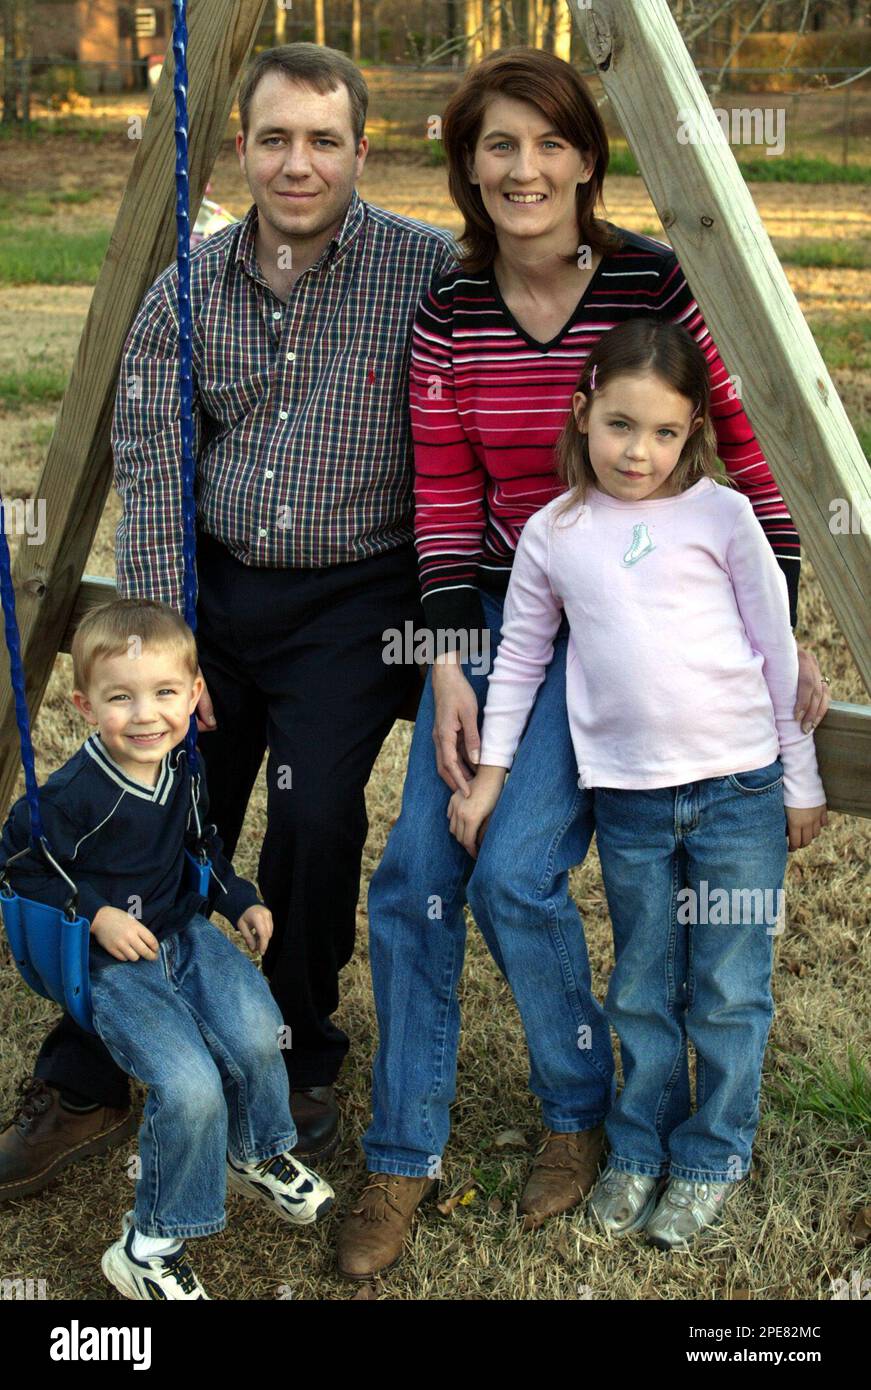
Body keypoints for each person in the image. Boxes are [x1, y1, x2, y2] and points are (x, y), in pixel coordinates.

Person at [337, 47, 830, 1280]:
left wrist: (782, 609)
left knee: (512, 872)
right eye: (497, 145)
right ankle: (402, 1154)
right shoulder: (447, 316)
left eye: (550, 142)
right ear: (464, 164)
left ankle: (580, 1109)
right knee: (412, 870)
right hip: (510, 608)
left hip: (631, 614)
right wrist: (447, 663)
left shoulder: (651, 283)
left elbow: (736, 444)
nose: (525, 168)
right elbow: (446, 500)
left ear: (589, 158)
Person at [0, 42, 458, 1199]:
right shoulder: (187, 286)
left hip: (357, 601)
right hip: (211, 588)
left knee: (311, 817)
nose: (296, 163)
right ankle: (88, 1075)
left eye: (321, 139)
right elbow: (153, 466)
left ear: (362, 147)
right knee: (147, 802)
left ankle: (296, 1043)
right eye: (273, 139)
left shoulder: (428, 272)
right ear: (240, 149)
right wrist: (172, 651)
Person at [446, 317, 827, 1249]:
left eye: (662, 432)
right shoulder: (554, 533)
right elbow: (525, 656)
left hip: (739, 789)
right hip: (629, 800)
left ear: (692, 425)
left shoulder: (722, 516)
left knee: (730, 985)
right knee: (645, 986)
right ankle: (636, 1147)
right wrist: (491, 777)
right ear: (583, 416)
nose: (638, 451)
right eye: (619, 426)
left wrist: (799, 778)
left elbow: (774, 651)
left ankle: (709, 1158)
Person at [0, 601, 334, 1298]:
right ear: (85, 704)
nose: (146, 715)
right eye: (121, 698)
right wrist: (94, 917)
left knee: (255, 1030)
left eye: (164, 694)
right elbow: (23, 867)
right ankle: (149, 1243)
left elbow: (200, 844)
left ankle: (255, 1153)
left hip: (181, 930)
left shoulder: (182, 767)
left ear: (193, 694)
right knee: (188, 1086)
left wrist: (237, 896)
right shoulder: (64, 800)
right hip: (112, 967)